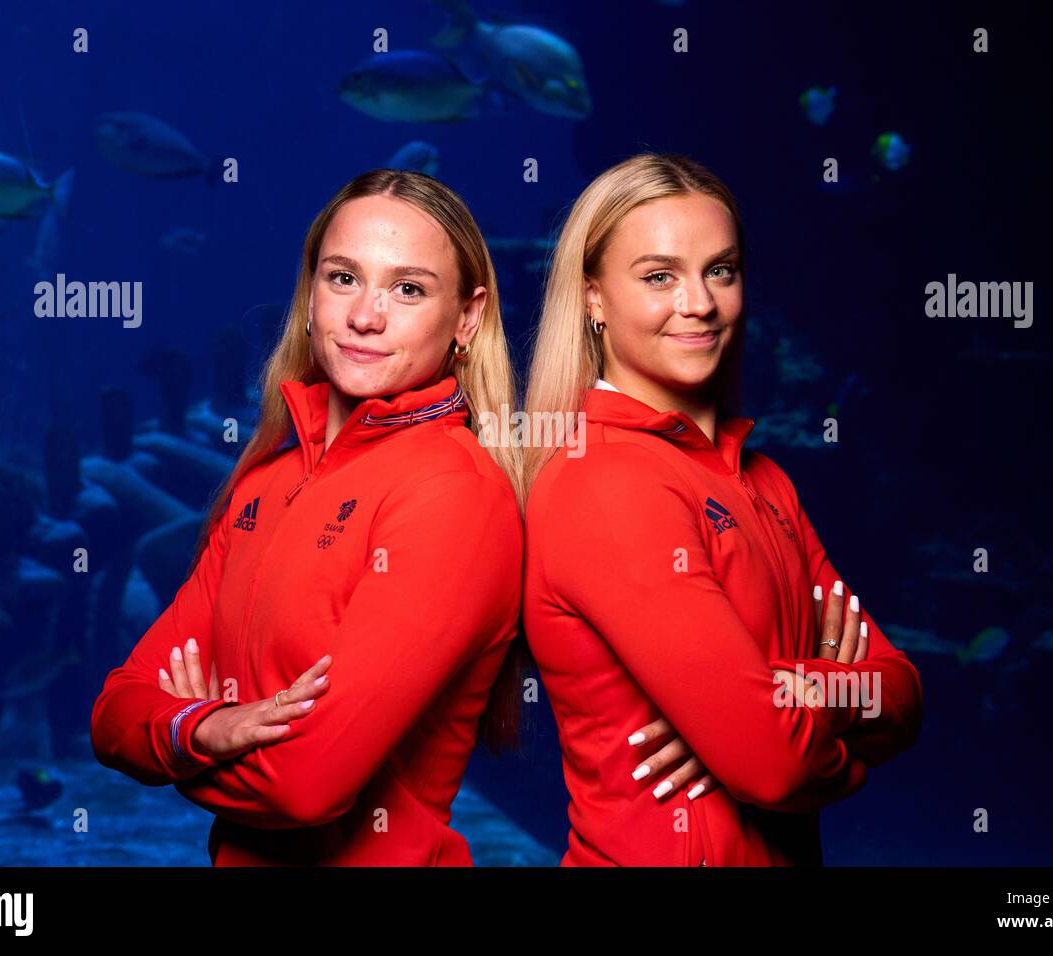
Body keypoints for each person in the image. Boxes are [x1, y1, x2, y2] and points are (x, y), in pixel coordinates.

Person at [91, 169, 525, 865]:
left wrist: (179, 739)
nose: (365, 316)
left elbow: (304, 786)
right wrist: (207, 728)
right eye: (343, 278)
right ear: (311, 292)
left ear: (468, 317)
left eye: (408, 289)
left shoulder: (454, 495)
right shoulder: (267, 477)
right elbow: (114, 713)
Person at [520, 152, 924, 866]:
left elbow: (903, 694)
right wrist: (817, 727)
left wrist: (787, 692)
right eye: (658, 276)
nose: (699, 303)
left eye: (721, 270)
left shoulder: (762, 480)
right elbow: (773, 766)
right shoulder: (605, 482)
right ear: (592, 298)